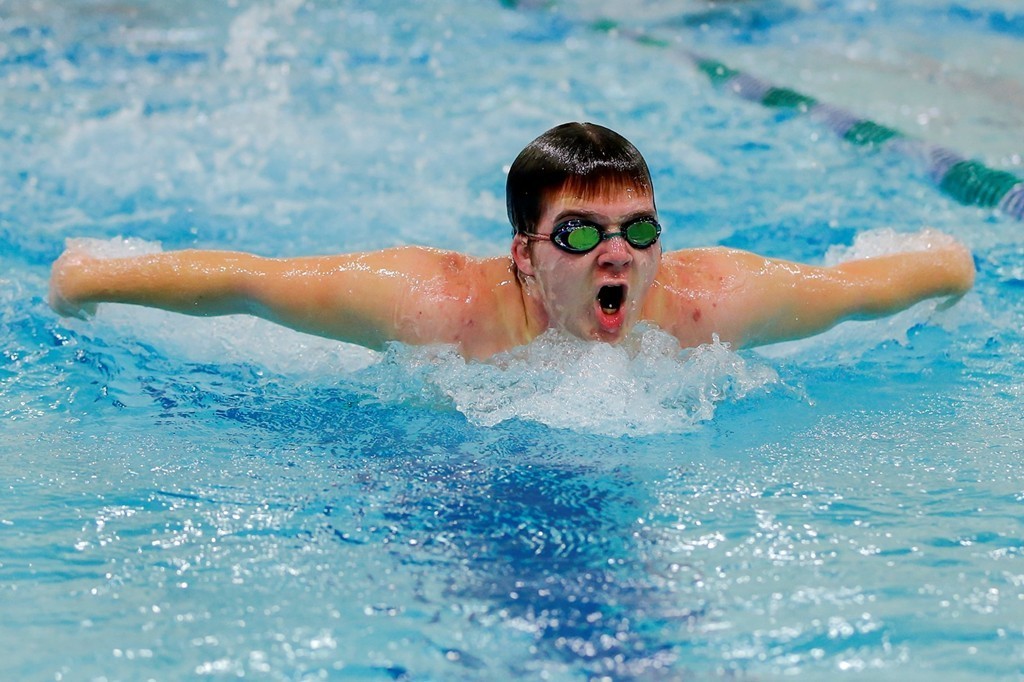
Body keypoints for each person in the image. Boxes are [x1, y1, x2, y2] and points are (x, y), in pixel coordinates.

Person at [49, 122, 975, 360]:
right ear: (523, 254)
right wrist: (89, 278)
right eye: (578, 233)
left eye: (637, 230)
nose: (616, 256)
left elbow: (884, 280)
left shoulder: (709, 304)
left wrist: (951, 274)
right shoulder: (435, 306)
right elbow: (252, 281)